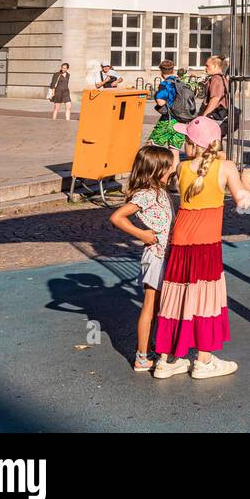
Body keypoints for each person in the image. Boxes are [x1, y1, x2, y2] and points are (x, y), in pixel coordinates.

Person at [153, 116, 250, 380]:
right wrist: (247, 180)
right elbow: (243, 205)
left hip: (181, 240)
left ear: (191, 144)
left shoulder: (182, 169)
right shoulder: (226, 167)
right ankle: (204, 360)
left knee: (176, 295)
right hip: (207, 242)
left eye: (185, 139)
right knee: (206, 297)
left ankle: (166, 359)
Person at [108, 145, 178, 372]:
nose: (171, 171)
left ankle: (152, 346)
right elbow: (117, 217)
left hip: (163, 253)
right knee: (150, 305)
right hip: (156, 254)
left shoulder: (159, 190)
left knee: (158, 305)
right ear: (157, 170)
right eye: (168, 168)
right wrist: (141, 234)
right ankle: (141, 356)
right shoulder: (147, 194)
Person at [199, 55, 230, 131]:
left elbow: (215, 99)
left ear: (215, 66)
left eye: (207, 66)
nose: (205, 68)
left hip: (213, 115)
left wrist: (204, 116)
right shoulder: (220, 77)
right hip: (216, 115)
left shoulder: (216, 79)